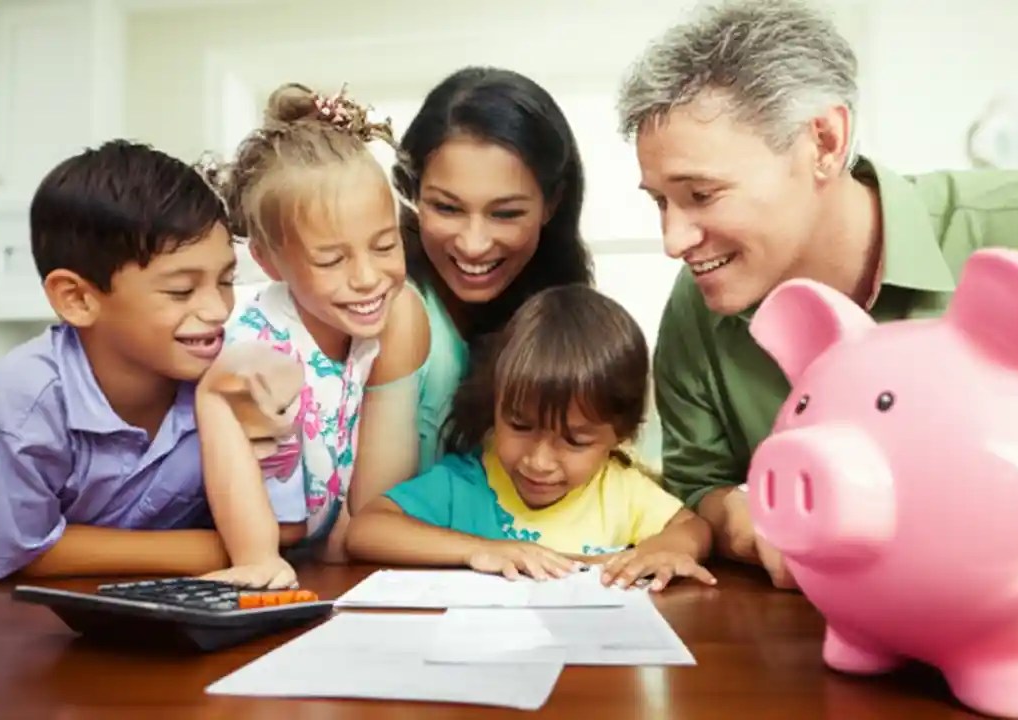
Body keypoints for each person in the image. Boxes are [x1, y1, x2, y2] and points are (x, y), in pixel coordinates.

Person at [616, 0, 1018, 597]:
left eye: (702, 193)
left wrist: (947, 536)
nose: (674, 240)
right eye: (659, 201)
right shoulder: (699, 306)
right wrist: (750, 524)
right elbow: (697, 497)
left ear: (824, 142)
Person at [0, 140, 239, 582]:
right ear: (77, 299)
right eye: (181, 291)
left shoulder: (226, 378)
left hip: (149, 611)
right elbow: (10, 553)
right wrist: (213, 548)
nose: (218, 310)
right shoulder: (18, 403)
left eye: (227, 280)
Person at [197, 83, 430, 588]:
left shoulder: (368, 330)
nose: (368, 277)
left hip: (311, 567)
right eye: (332, 259)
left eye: (385, 245)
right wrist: (263, 558)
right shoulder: (261, 348)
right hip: (255, 561)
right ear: (266, 259)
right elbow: (276, 524)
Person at [346, 285, 716, 591]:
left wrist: (664, 550)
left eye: (574, 441)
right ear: (496, 406)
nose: (538, 461)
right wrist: (481, 551)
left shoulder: (620, 491)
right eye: (520, 427)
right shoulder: (466, 483)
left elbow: (692, 527)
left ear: (621, 435)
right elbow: (366, 530)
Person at [390, 66, 594, 474]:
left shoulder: (552, 315)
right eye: (446, 207)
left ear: (552, 204)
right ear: (413, 194)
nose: (473, 243)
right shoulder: (390, 307)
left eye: (505, 213)